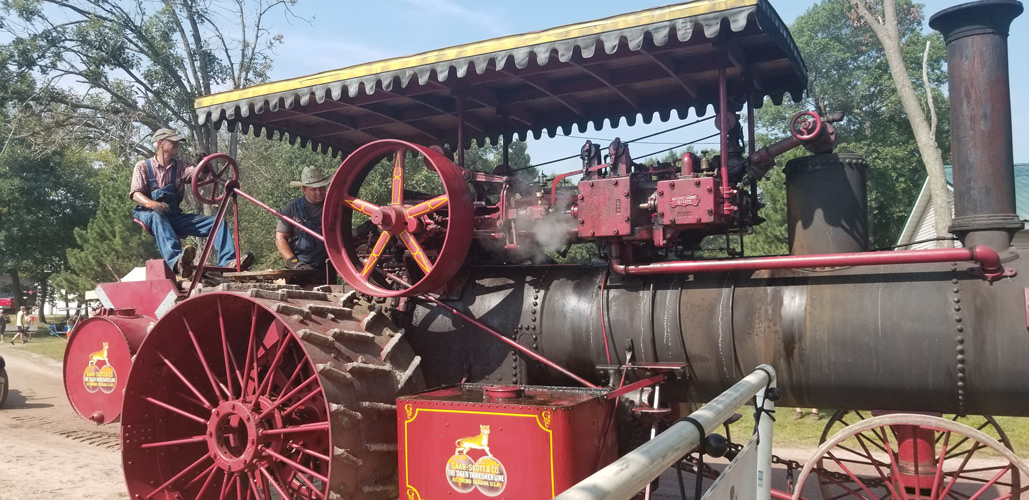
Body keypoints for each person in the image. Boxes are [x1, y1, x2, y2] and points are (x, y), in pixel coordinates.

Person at [130, 128, 252, 276]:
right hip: (149, 213)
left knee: (217, 222)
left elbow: (198, 176)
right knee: (157, 217)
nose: (177, 144)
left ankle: (228, 262)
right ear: (160, 143)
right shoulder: (143, 166)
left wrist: (204, 166)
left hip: (174, 215)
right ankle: (177, 262)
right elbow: (136, 194)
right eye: (172, 141)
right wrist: (153, 204)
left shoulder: (181, 166)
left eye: (177, 142)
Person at [276, 166, 334, 282]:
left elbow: (340, 233)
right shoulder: (291, 209)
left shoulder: (333, 205)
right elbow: (280, 238)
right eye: (313, 189)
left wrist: (358, 232)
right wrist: (293, 263)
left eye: (321, 187)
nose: (319, 192)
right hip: (300, 271)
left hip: (327, 269)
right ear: (304, 189)